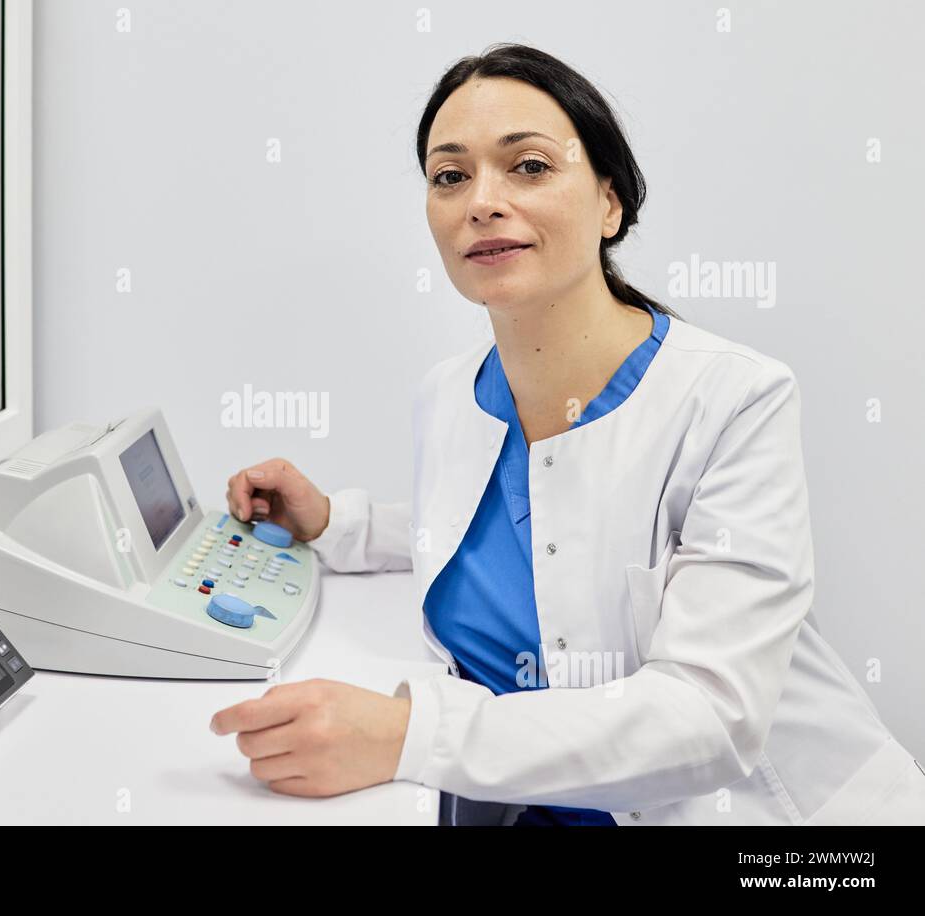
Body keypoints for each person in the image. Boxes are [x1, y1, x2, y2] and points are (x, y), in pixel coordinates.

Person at [208, 43, 925, 826]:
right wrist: (333, 522)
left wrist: (410, 735)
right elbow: (497, 531)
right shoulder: (449, 395)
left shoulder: (733, 399)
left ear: (610, 204)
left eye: (529, 166)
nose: (482, 201)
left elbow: (710, 717)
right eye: (451, 176)